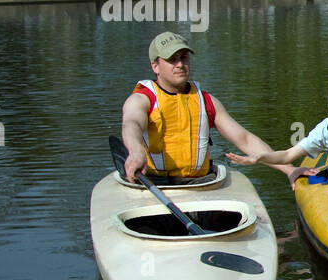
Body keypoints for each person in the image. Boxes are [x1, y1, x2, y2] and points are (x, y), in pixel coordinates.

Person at [120, 31, 298, 187]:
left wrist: (288, 169)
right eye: (172, 59)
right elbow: (132, 123)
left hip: (201, 184)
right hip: (153, 183)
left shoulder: (206, 101)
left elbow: (245, 139)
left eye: (184, 57)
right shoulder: (141, 99)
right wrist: (136, 151)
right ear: (155, 66)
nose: (180, 64)